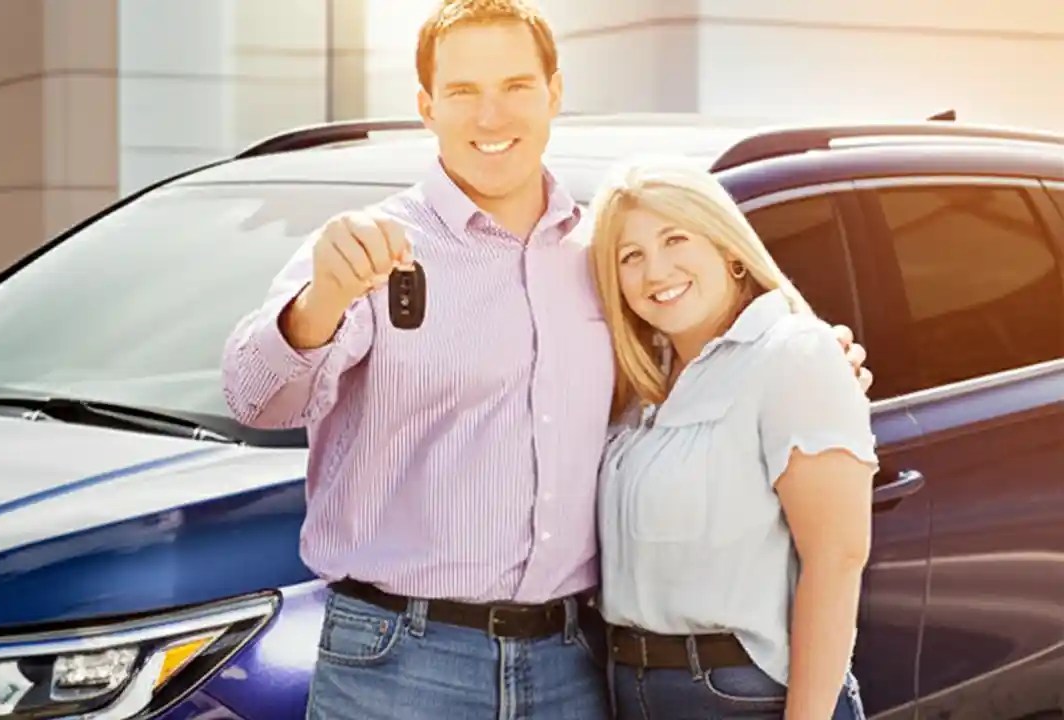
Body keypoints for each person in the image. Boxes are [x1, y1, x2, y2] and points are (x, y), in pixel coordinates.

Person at [220, 1, 870, 717]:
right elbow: (255, 399)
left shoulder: (604, 255)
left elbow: (686, 370)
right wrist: (320, 300)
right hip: (399, 662)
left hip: (573, 663)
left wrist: (813, 356)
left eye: (516, 87)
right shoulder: (370, 249)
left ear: (555, 92)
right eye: (463, 92)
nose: (490, 117)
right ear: (426, 106)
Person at [587, 160, 877, 719]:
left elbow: (837, 557)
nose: (656, 271)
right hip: (630, 690)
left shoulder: (793, 353)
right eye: (631, 256)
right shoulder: (638, 386)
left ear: (730, 251)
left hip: (745, 697)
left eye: (675, 239)